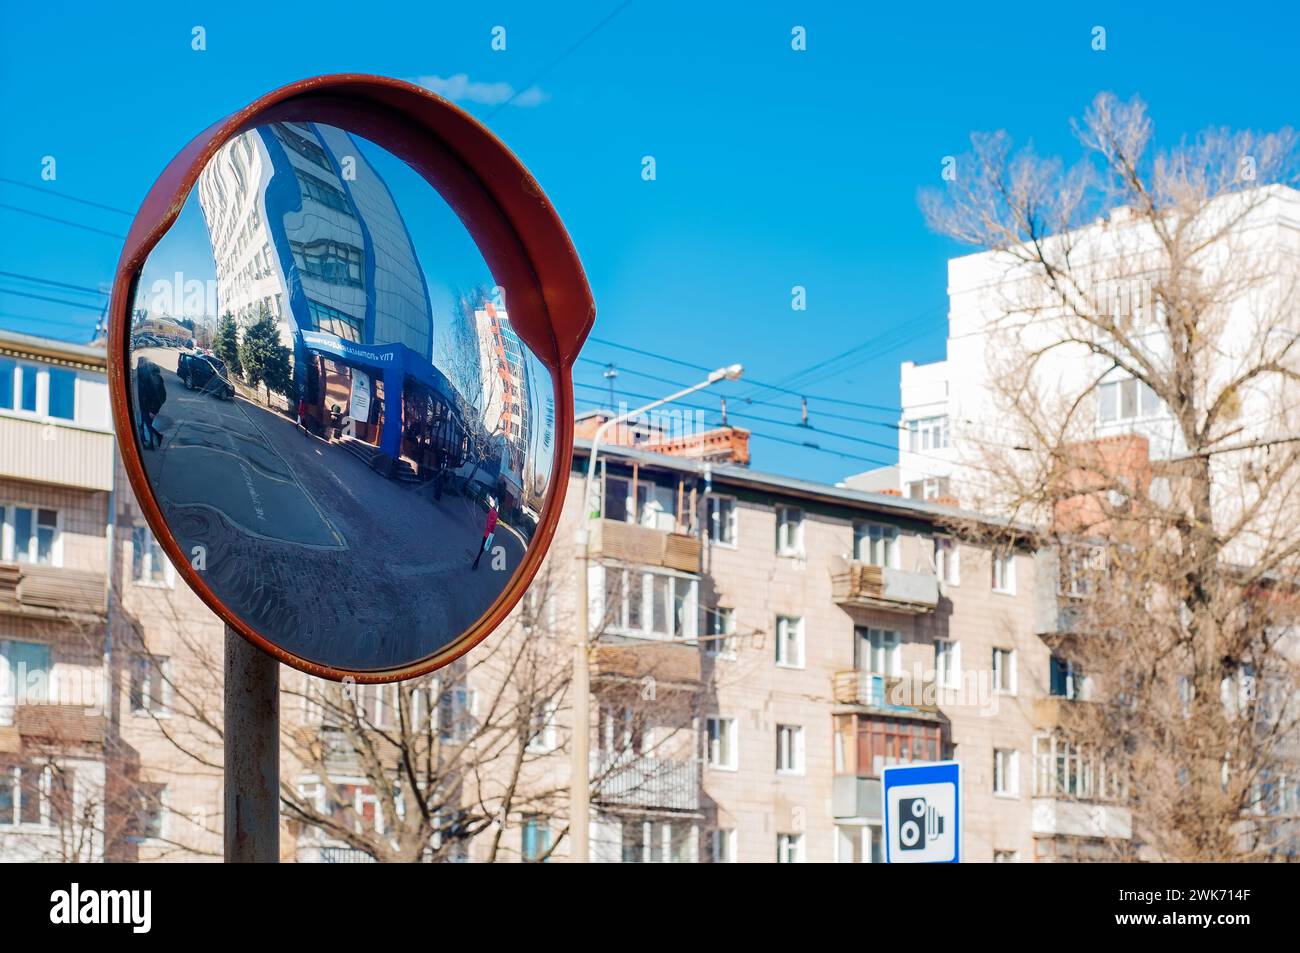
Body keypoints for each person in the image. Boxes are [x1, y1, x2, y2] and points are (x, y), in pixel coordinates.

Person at [471, 496, 499, 570]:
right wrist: (491, 529)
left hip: (486, 532)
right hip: (489, 534)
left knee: (482, 547)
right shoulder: (495, 514)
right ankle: (476, 561)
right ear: (497, 505)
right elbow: (492, 523)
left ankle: (477, 561)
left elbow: (489, 520)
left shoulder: (491, 511)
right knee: (483, 548)